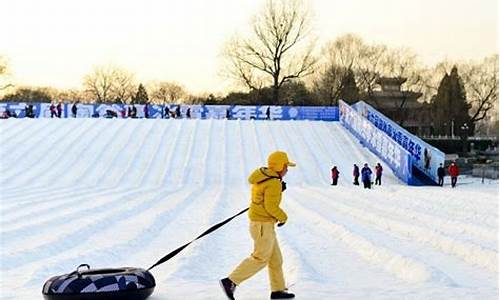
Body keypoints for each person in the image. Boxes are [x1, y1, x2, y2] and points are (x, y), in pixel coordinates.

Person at [220, 151, 296, 300]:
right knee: (260, 258)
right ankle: (231, 281)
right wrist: (283, 217)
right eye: (286, 166)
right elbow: (271, 207)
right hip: (263, 225)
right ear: (280, 166)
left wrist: (278, 189)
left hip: (260, 224)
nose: (287, 169)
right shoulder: (273, 182)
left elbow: (263, 196)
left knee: (276, 260)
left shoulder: (265, 177)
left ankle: (278, 290)